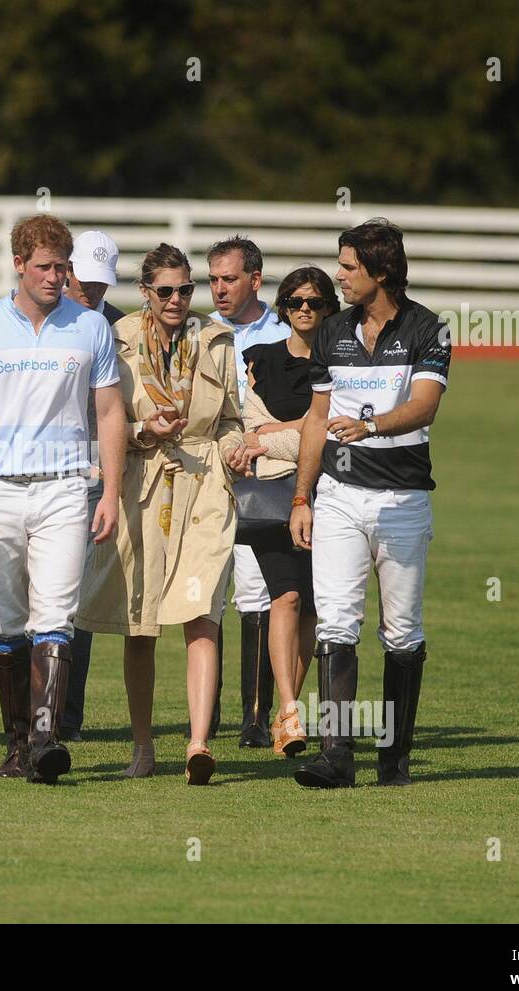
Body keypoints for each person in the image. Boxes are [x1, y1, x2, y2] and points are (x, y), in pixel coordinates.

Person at [0, 214, 125, 784]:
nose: (54, 277)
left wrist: (109, 489)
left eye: (61, 267)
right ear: (18, 264)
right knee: (6, 622)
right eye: (44, 267)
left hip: (67, 486)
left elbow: (111, 411)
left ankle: (45, 740)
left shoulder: (90, 327)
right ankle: (17, 745)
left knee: (55, 613)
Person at [78, 244, 248, 785]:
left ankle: (198, 744)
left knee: (202, 615)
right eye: (165, 291)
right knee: (140, 623)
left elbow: (231, 419)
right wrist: (140, 432)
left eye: (185, 290)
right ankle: (144, 748)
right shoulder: (117, 339)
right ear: (146, 293)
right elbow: (98, 421)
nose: (177, 300)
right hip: (139, 485)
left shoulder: (216, 339)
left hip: (205, 486)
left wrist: (235, 449)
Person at [289, 219, 451, 788]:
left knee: (402, 633)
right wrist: (302, 496)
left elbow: (425, 406)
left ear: (381, 272)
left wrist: (370, 424)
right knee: (335, 624)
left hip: (403, 501)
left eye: (350, 267)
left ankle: (394, 760)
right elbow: (314, 420)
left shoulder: (429, 329)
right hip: (336, 496)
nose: (340, 275)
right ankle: (337, 756)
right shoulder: (331, 331)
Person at [228, 265, 338, 756]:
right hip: (274, 504)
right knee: (287, 599)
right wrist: (294, 436)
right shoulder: (261, 359)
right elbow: (242, 429)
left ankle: (279, 714)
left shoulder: (344, 363)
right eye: (295, 302)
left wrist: (272, 439)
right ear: (284, 307)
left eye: (315, 302)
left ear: (329, 308)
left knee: (316, 609)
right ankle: (291, 710)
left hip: (333, 498)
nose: (305, 311)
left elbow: (329, 431)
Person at [207, 235, 291, 748]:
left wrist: (257, 444)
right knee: (208, 592)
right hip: (210, 475)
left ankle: (256, 719)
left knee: (258, 591)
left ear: (254, 280)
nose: (219, 289)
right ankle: (206, 715)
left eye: (229, 279)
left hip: (266, 475)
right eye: (213, 279)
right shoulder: (199, 334)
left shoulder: (285, 333)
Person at [59, 229, 124, 741]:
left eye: (101, 284)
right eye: (85, 280)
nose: (92, 292)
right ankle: (31, 715)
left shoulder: (119, 328)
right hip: (31, 474)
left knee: (73, 599)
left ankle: (65, 717)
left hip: (90, 480)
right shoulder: (40, 319)